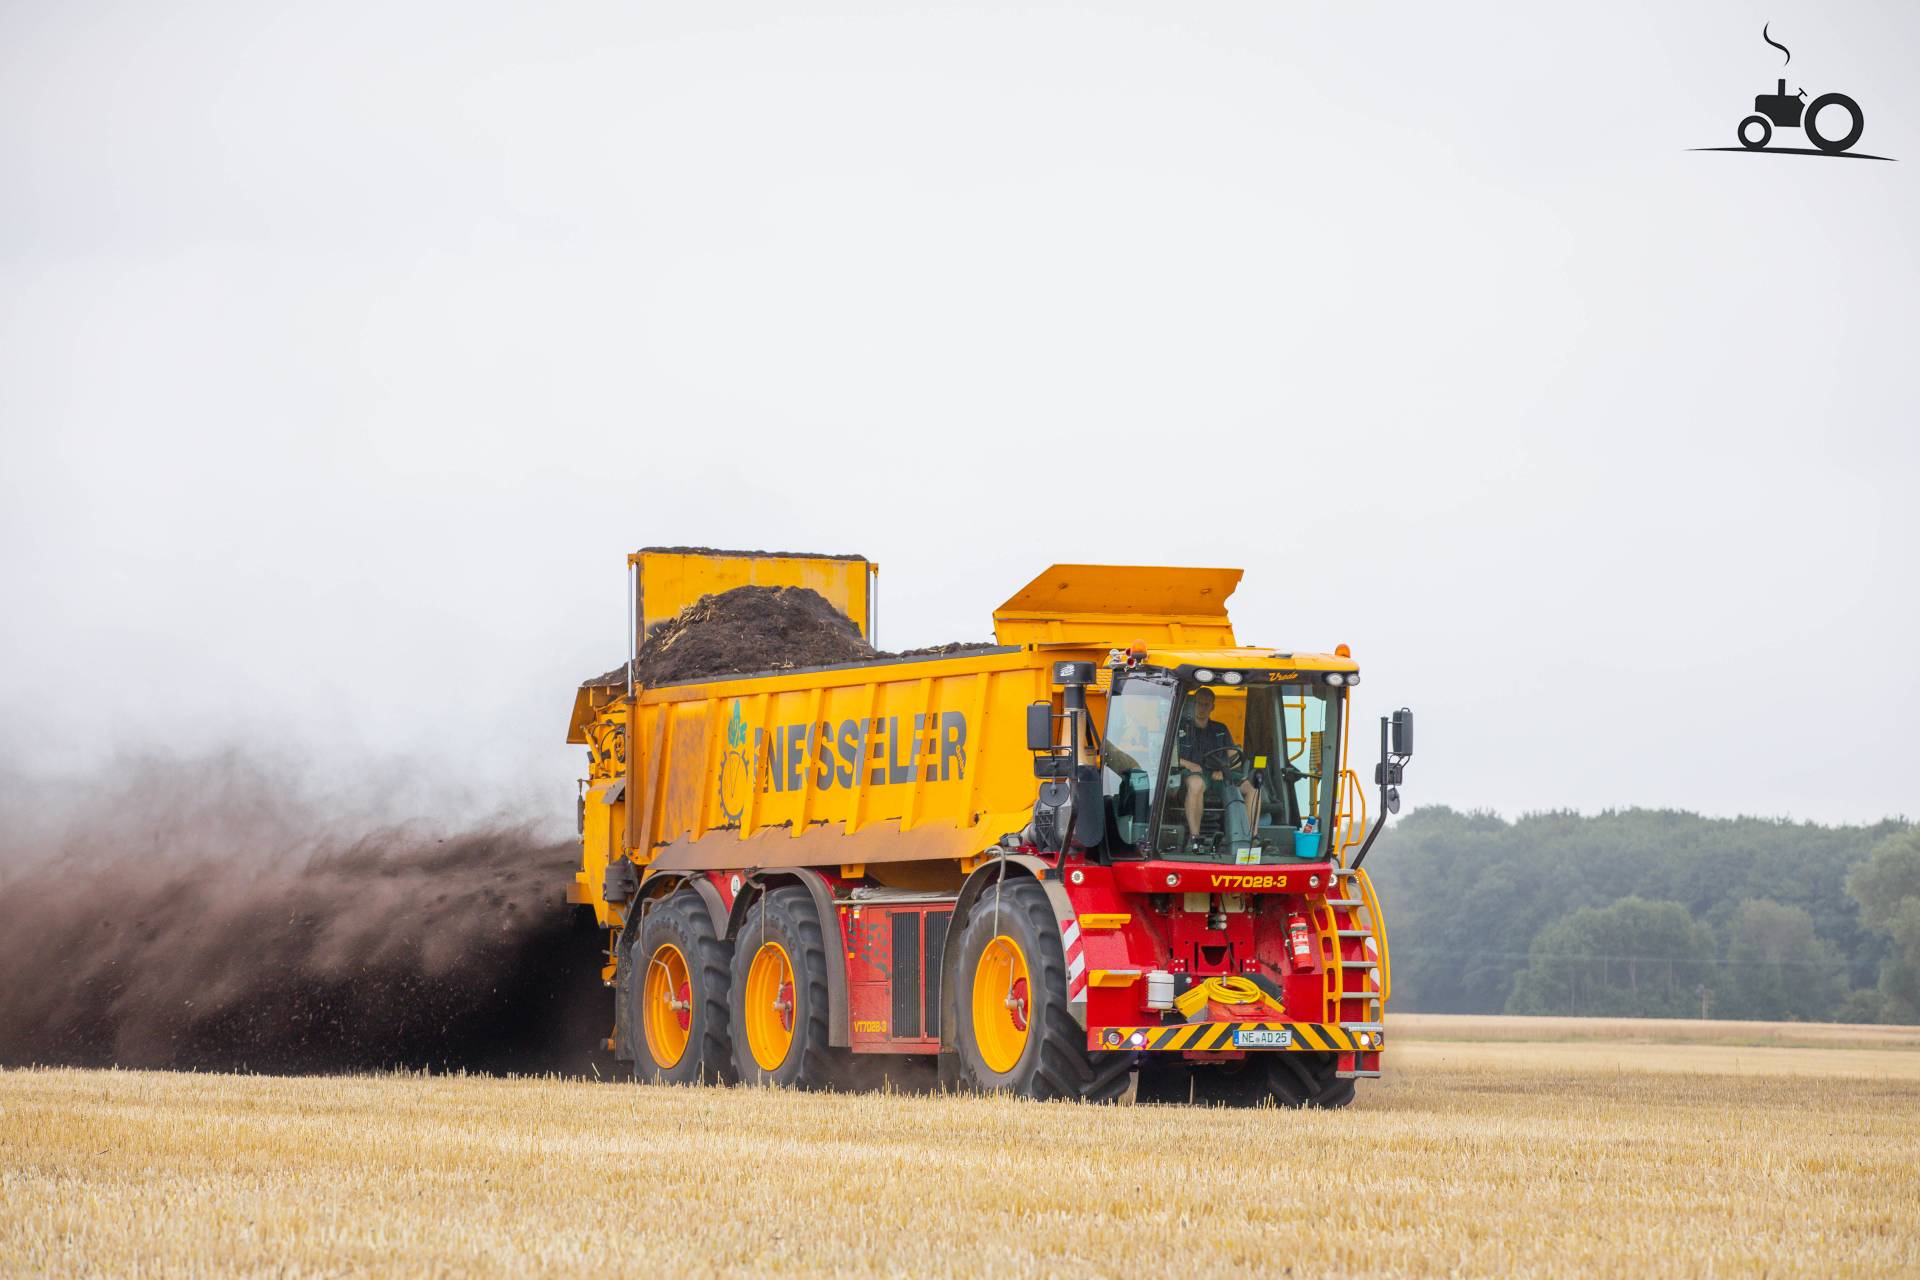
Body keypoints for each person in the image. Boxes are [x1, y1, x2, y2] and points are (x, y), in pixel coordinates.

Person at [1177, 687, 1260, 844]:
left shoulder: (1221, 729)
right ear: (1192, 704)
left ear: (1212, 707)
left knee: (1253, 787)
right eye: (1199, 703)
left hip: (1220, 774)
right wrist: (1190, 764)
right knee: (1195, 784)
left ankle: (1253, 837)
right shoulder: (1180, 728)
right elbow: (1170, 757)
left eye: (1206, 705)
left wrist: (1225, 769)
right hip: (1194, 774)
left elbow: (1233, 755)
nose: (1202, 708)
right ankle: (1195, 837)